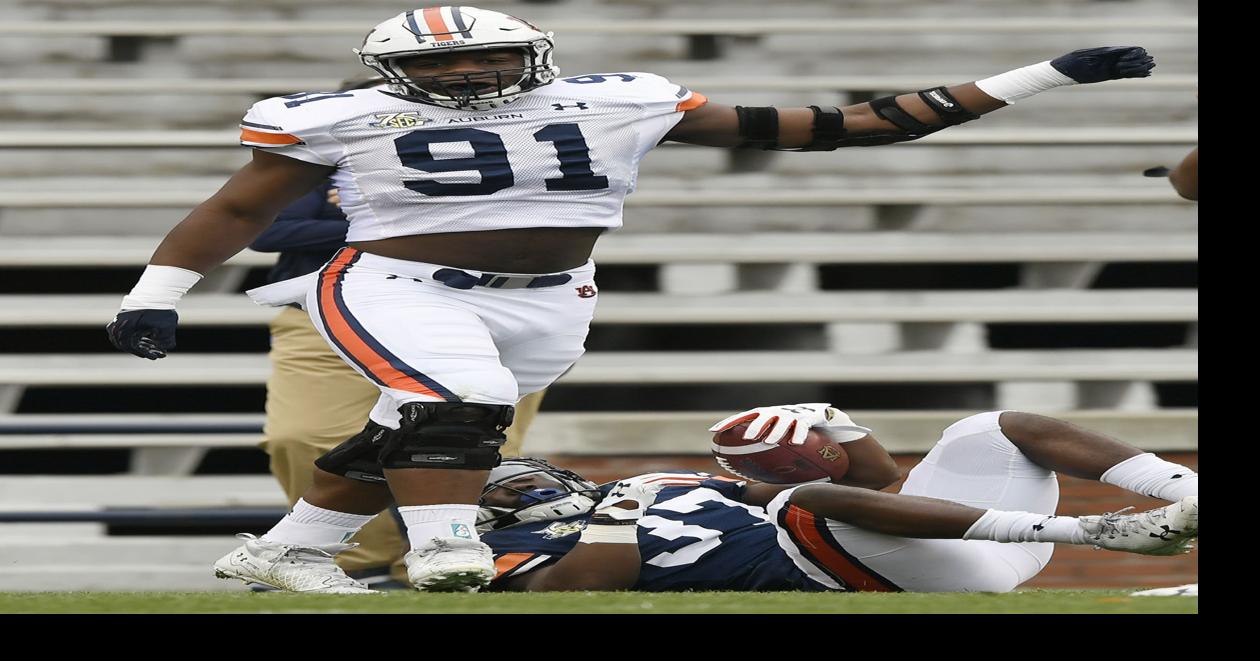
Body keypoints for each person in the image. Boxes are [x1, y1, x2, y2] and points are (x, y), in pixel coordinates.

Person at [104, 4, 1157, 593]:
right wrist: (160, 291)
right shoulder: (328, 118)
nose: (475, 73)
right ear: (396, 69)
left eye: (492, 55)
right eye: (450, 60)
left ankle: (292, 545)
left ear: (536, 51)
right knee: (454, 408)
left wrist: (1047, 73)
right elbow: (236, 208)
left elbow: (854, 123)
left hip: (555, 294)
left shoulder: (625, 101)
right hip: (395, 280)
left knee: (402, 424)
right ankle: (445, 550)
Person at [249, 86, 548, 587]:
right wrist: (403, 223)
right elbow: (265, 231)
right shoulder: (319, 158)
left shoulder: (516, 149)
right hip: (328, 312)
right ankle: (351, 556)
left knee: (474, 443)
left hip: (478, 309)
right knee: (299, 436)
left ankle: (454, 561)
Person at [478, 404, 1198, 593]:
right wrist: (619, 511)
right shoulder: (496, 547)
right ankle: (1099, 532)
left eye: (520, 470)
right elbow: (581, 584)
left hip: (947, 548)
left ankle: (1184, 494)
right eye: (504, 483)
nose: (523, 480)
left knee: (994, 427)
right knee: (804, 505)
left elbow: (879, 486)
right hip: (856, 569)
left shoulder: (665, 483)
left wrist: (837, 427)